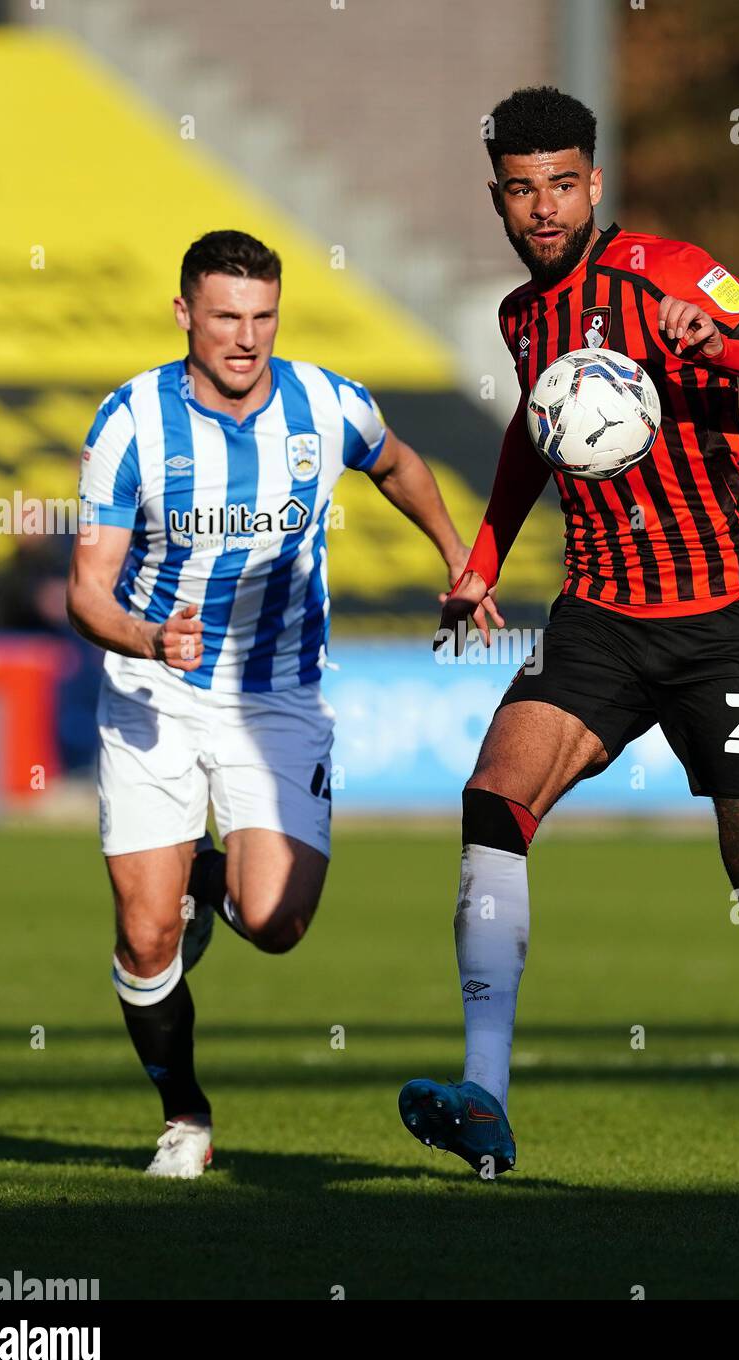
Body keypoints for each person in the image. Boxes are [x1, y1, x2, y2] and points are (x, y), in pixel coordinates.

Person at [398, 88, 739, 1214]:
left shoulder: (671, 271)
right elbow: (537, 447)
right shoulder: (521, 317)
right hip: (601, 615)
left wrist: (723, 343)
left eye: (563, 183)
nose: (543, 207)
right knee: (493, 798)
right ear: (498, 196)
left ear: (596, 181)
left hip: (726, 623)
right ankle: (484, 1093)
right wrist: (482, 556)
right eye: (522, 189)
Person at [67, 229, 471, 1177]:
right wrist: (145, 636)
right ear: (184, 317)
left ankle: (204, 880)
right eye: (224, 319)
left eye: (262, 318)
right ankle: (186, 1119)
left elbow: (402, 464)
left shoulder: (327, 403)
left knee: (278, 924)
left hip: (279, 695)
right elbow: (89, 589)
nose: (245, 340)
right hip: (151, 687)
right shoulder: (129, 423)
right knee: (142, 932)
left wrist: (460, 557)